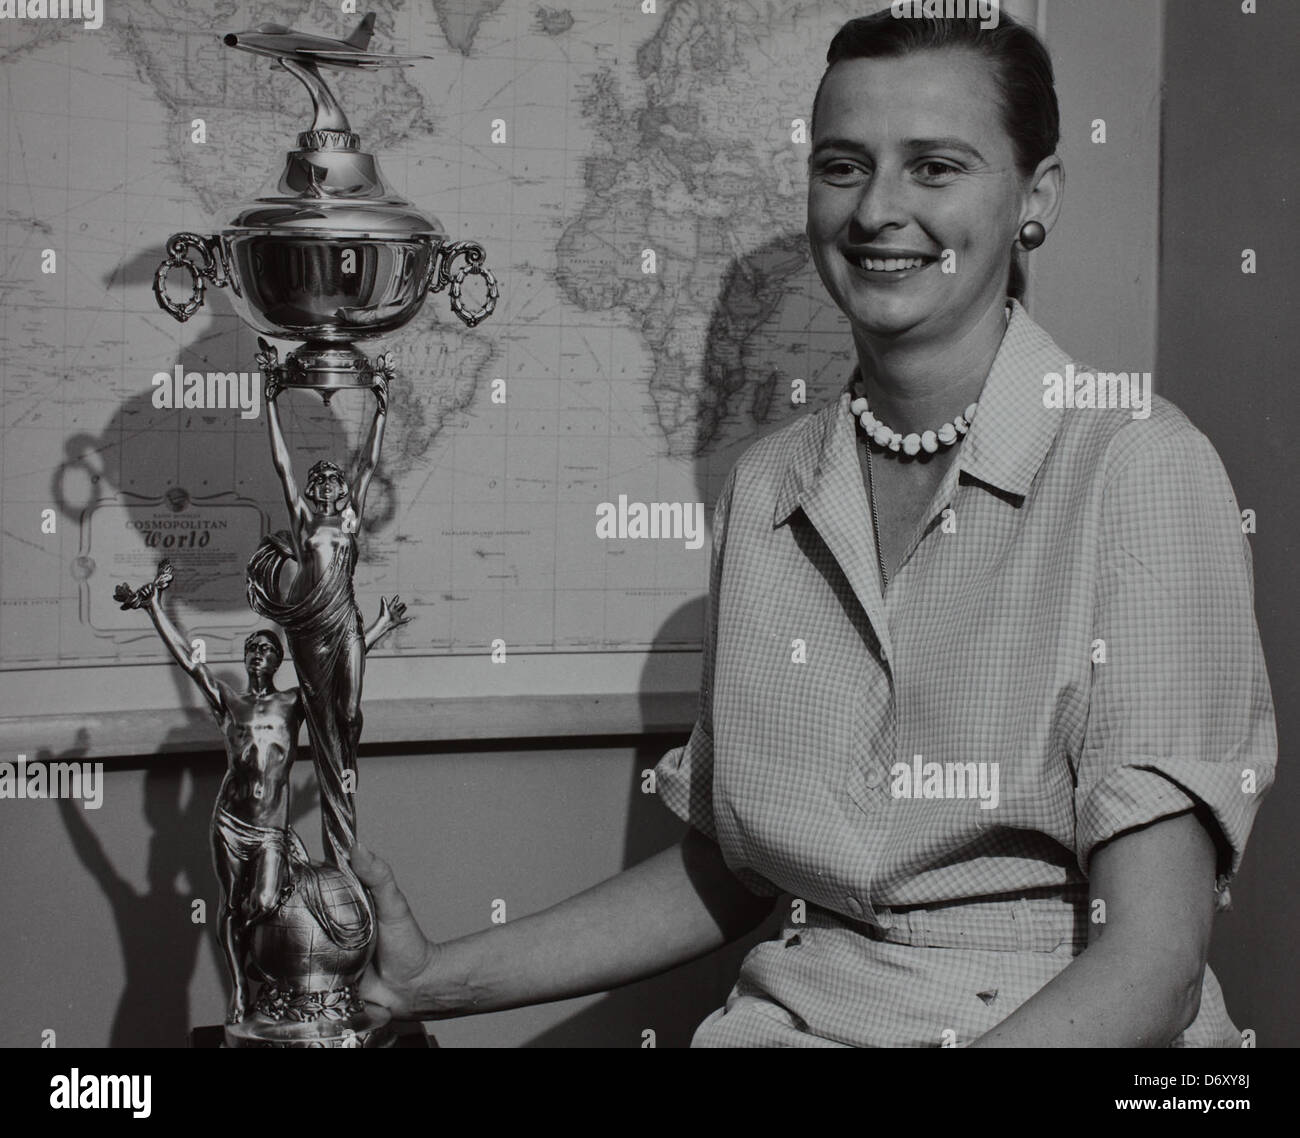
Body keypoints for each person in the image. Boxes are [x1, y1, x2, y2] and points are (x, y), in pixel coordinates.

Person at [350, 12, 1276, 1047]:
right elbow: (733, 866)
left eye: (934, 167)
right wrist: (435, 979)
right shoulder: (767, 488)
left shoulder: (1140, 465)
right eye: (843, 166)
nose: (879, 209)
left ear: (1035, 198)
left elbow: (1151, 964)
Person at [118, 559, 408, 1022]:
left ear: (277, 662)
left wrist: (377, 628)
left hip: (270, 829)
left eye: (267, 650)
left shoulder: (293, 702)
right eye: (253, 648)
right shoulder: (228, 701)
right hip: (230, 822)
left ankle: (266, 970)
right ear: (246, 657)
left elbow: (333, 673)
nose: (258, 654)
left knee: (265, 900)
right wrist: (155, 608)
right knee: (230, 905)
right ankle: (239, 991)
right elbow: (190, 664)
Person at [246, 354, 389, 886]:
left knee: (349, 714)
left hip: (345, 619)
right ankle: (340, 851)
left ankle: (342, 776)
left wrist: (382, 404)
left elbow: (370, 464)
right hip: (310, 630)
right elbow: (282, 464)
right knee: (324, 719)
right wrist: (268, 398)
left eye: (334, 479)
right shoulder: (303, 517)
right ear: (313, 490)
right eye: (322, 480)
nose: (329, 485)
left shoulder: (350, 516)